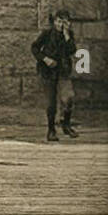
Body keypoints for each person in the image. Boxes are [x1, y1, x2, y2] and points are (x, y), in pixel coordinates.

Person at [31, 9, 78, 142]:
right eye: (58, 21)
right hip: (48, 72)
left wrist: (67, 34)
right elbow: (34, 48)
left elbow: (72, 50)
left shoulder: (69, 35)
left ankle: (66, 124)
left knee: (68, 98)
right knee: (51, 103)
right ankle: (51, 130)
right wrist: (45, 59)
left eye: (64, 22)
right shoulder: (47, 34)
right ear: (54, 21)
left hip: (63, 72)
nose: (60, 24)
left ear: (68, 23)